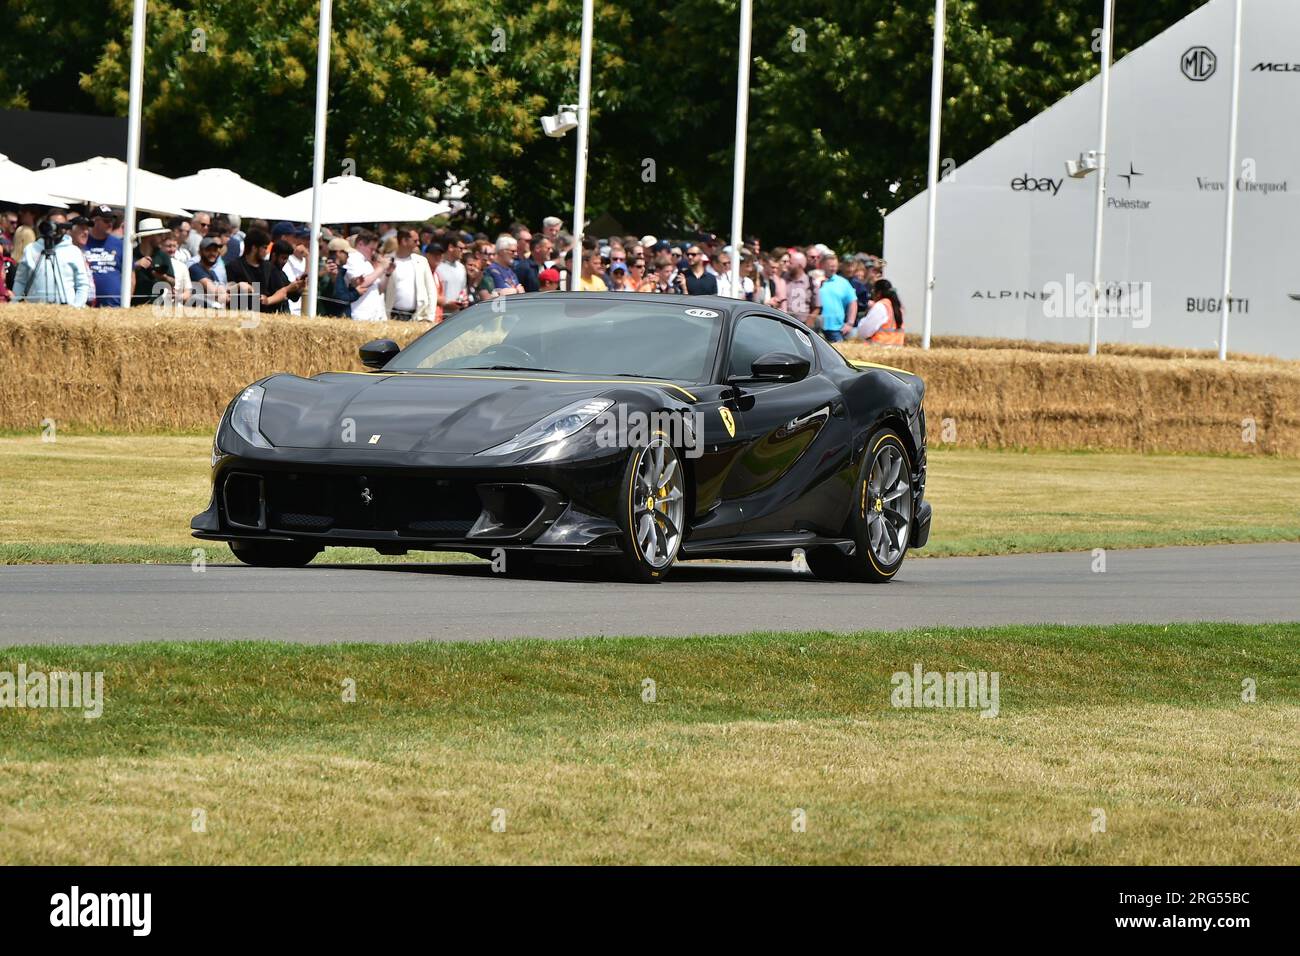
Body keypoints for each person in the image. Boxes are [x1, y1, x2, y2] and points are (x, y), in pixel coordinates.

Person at [11, 221, 91, 306]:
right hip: (34, 312)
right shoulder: (31, 249)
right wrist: (15, 304)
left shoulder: (74, 251)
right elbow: (20, 281)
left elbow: (83, 285)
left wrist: (76, 308)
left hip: (66, 313)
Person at [383, 227, 438, 321]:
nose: (418, 244)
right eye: (415, 241)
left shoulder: (421, 261)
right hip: (392, 316)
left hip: (418, 316)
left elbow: (431, 290)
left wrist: (430, 317)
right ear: (404, 241)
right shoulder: (387, 260)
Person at [83, 206, 126, 307]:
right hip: (86, 306)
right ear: (94, 221)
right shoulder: (82, 241)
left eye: (112, 220)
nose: (110, 224)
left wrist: (126, 302)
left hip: (114, 307)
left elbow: (130, 274)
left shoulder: (120, 245)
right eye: (106, 221)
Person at [344, 230, 389, 321]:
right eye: (371, 249)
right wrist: (381, 268)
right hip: (360, 315)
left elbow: (380, 289)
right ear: (360, 244)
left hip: (374, 315)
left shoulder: (367, 263)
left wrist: (388, 273)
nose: (373, 253)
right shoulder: (352, 259)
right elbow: (361, 283)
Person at [130, 217, 174, 305]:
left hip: (157, 306)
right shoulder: (131, 254)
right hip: (134, 305)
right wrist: (135, 266)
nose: (163, 238)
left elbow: (174, 281)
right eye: (159, 235)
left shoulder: (163, 255)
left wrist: (163, 277)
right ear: (149, 236)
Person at [815, 253, 857, 342]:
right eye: (830, 266)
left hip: (836, 328)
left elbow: (853, 302)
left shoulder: (843, 282)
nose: (833, 268)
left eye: (835, 266)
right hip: (815, 327)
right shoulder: (813, 280)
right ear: (822, 265)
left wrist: (850, 323)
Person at [851, 278, 905, 346]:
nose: (872, 294)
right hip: (896, 348)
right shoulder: (897, 307)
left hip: (879, 348)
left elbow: (864, 331)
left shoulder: (881, 306)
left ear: (878, 293)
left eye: (873, 291)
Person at [317, 237, 359, 317]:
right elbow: (339, 298)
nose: (348, 256)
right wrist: (356, 292)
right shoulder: (329, 269)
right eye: (346, 253)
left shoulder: (338, 270)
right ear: (338, 253)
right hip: (330, 317)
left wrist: (352, 286)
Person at [188, 236, 230, 309]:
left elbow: (223, 291)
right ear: (200, 252)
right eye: (208, 250)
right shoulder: (195, 268)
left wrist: (239, 286)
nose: (212, 253)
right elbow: (213, 291)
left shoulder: (212, 272)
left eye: (215, 250)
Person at [436, 235, 469, 315]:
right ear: (450, 247)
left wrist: (464, 300)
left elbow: (463, 289)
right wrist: (446, 304)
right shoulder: (437, 266)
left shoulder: (461, 267)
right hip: (440, 315)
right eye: (461, 248)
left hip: (457, 315)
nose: (463, 251)